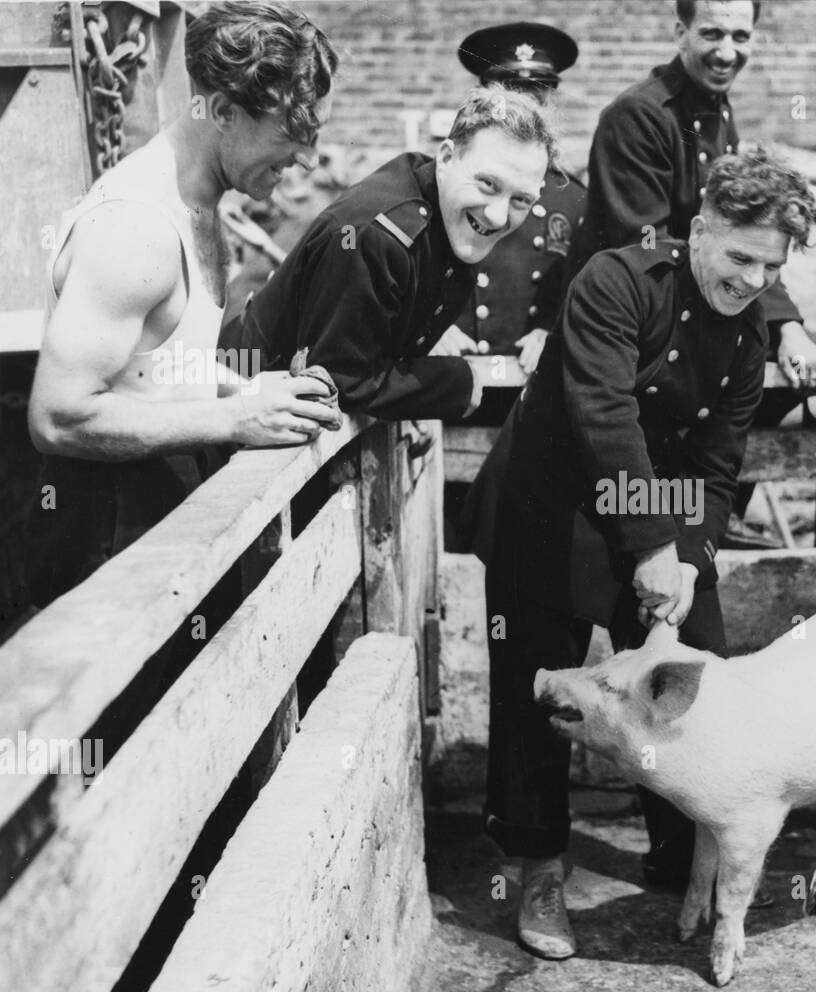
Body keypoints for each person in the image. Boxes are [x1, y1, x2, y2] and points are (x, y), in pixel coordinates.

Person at [481, 149, 816, 959]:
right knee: (541, 696)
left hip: (655, 519)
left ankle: (683, 850)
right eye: (738, 256)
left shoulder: (745, 343)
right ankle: (539, 870)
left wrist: (688, 560)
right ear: (699, 231)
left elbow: (713, 468)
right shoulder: (615, 280)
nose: (748, 280)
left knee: (694, 677)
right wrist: (652, 547)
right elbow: (603, 413)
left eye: (768, 268)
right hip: (549, 507)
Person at [26, 0, 341, 609]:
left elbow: (152, 363)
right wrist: (234, 420)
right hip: (106, 538)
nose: (306, 158)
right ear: (222, 110)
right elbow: (58, 418)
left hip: (156, 512)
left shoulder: (200, 199)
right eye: (293, 135)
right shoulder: (136, 229)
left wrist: (244, 389)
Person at [220, 86, 556, 422]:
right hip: (229, 415)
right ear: (447, 158)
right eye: (488, 184)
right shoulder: (377, 236)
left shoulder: (441, 209)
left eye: (521, 200)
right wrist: (457, 382)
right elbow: (337, 380)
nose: (498, 216)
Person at [564, 0, 816, 387]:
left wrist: (788, 327)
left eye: (740, 37)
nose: (726, 53)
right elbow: (646, 249)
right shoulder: (639, 116)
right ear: (680, 35)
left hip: (695, 305)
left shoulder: (717, 110)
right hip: (632, 329)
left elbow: (750, 229)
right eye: (711, 34)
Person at [431, 21, 586, 381]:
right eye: (511, 91)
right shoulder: (451, 180)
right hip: (448, 370)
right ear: (486, 98)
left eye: (536, 93)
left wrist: (554, 330)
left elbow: (583, 282)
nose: (525, 106)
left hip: (533, 381)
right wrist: (429, 329)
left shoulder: (574, 198)